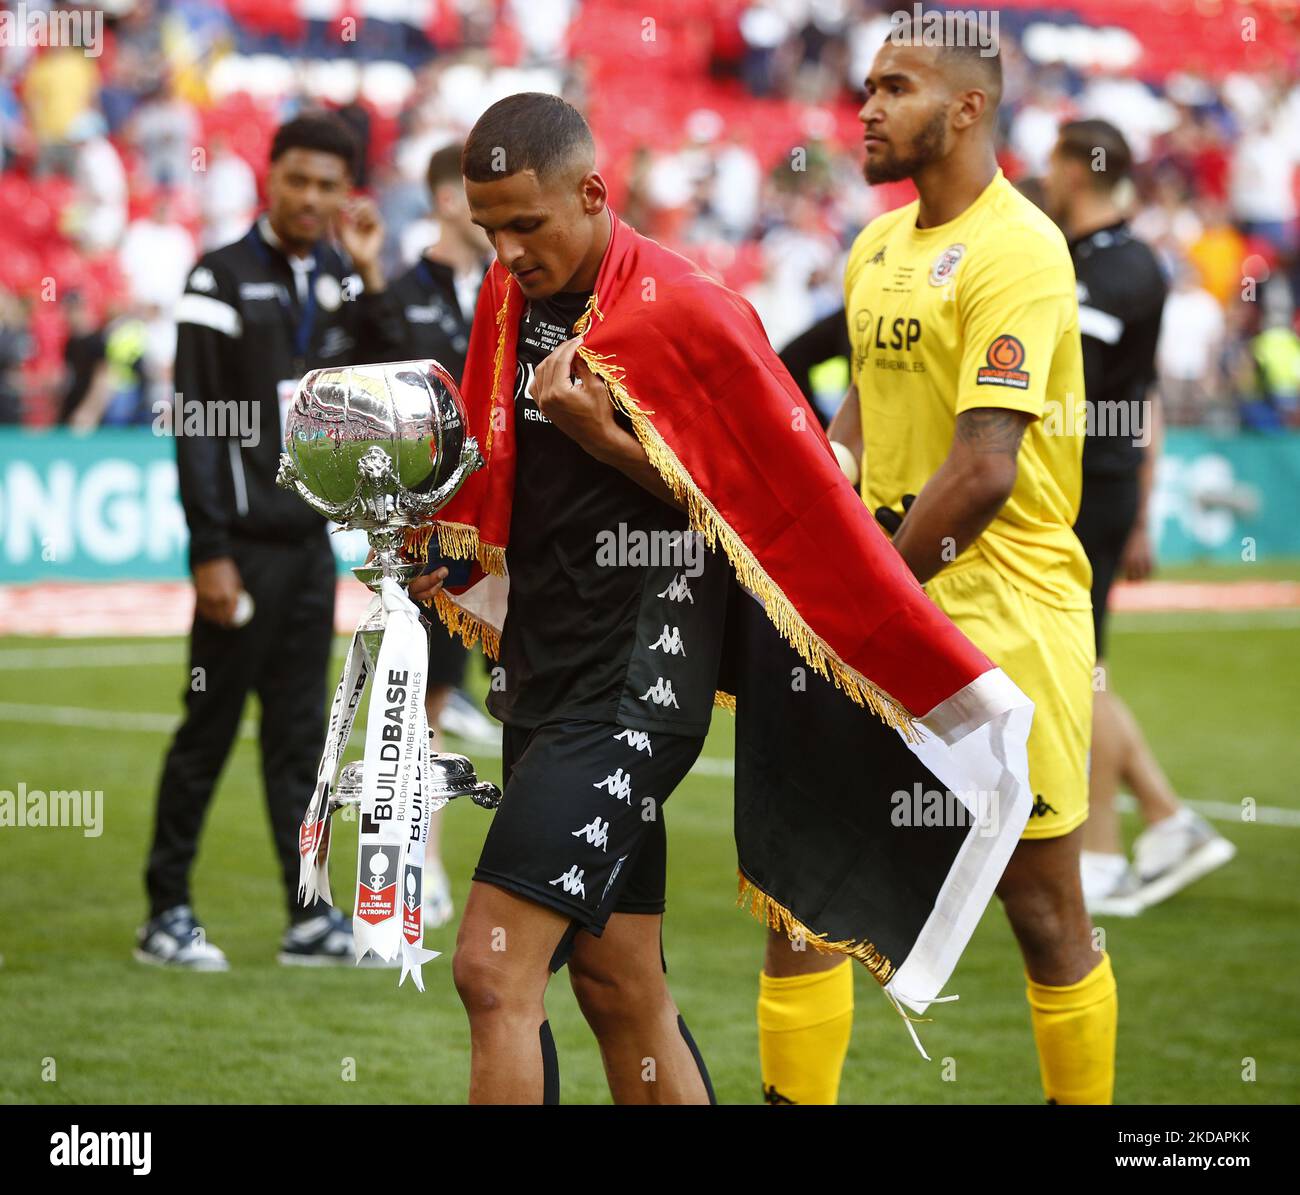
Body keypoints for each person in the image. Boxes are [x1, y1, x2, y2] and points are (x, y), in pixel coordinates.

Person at [757, 21, 1116, 1105]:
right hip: (878, 603)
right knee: (801, 898)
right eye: (864, 87)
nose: (863, 108)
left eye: (894, 88)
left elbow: (983, 470)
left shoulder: (1020, 248)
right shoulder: (875, 248)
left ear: (966, 108)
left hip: (1003, 616)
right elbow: (856, 426)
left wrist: (860, 599)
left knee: (1044, 906)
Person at [409, 95, 730, 1104]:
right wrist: (442, 545)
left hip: (633, 684)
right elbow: (504, 479)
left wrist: (605, 438)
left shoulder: (680, 305)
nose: (505, 250)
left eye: (525, 223)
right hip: (545, 672)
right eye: (486, 228)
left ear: (592, 192)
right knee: (618, 980)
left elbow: (753, 508)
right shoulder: (510, 301)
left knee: (491, 966)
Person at [137, 113, 404, 970]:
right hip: (240, 548)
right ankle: (165, 912)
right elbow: (194, 421)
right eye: (299, 180)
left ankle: (308, 917)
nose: (312, 198)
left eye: (329, 185)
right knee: (207, 732)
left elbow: (390, 373)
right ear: (270, 178)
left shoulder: (336, 274)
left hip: (305, 549)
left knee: (300, 740)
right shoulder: (218, 276)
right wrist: (208, 547)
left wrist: (368, 277)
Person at [1043, 119, 1235, 916]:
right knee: (1078, 665)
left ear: (1076, 171)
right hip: (1108, 482)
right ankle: (1156, 824)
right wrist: (1146, 506)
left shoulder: (1107, 268)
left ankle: (1121, 842)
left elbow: (1073, 394)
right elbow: (1143, 401)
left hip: (1083, 484)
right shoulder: (1125, 262)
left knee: (1076, 668)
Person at [387, 140, 498, 927]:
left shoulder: (507, 290)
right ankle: (411, 861)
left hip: (493, 534)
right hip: (426, 535)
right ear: (446, 199)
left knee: (463, 697)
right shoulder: (397, 297)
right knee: (414, 705)